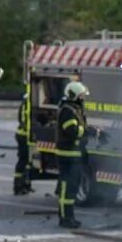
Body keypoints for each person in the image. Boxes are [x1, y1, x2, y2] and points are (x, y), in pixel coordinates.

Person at [54, 81, 89, 229]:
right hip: (67, 155)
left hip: (73, 154)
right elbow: (73, 131)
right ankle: (65, 218)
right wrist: (88, 132)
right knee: (66, 188)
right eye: (81, 96)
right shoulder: (68, 111)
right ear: (74, 96)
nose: (83, 99)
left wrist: (95, 132)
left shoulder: (74, 109)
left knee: (72, 188)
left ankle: (69, 217)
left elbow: (80, 128)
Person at [11, 90, 35, 196]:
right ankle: (18, 186)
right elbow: (26, 121)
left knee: (27, 162)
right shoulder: (27, 104)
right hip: (24, 136)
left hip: (23, 135)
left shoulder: (25, 103)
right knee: (23, 161)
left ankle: (25, 185)